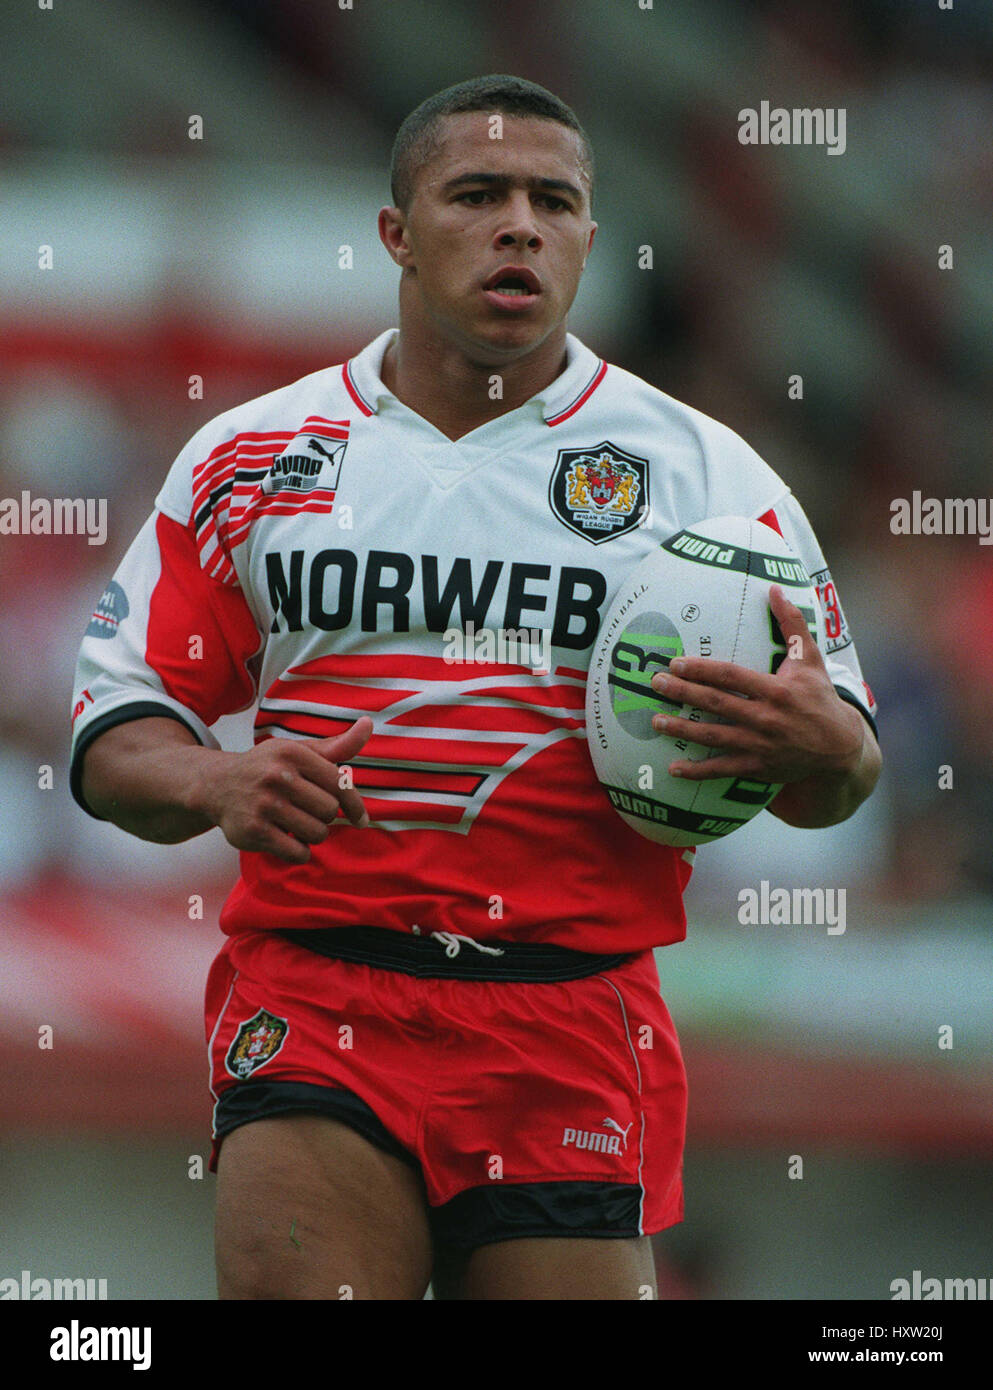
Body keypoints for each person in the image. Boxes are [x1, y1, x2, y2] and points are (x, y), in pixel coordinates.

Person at [69, 74, 881, 1301]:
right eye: (479, 194)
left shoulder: (708, 478)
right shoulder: (253, 456)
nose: (521, 226)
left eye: (555, 201)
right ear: (397, 232)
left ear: (590, 240)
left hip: (569, 1010)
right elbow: (112, 729)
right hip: (321, 984)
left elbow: (845, 775)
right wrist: (214, 775)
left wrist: (820, 745)